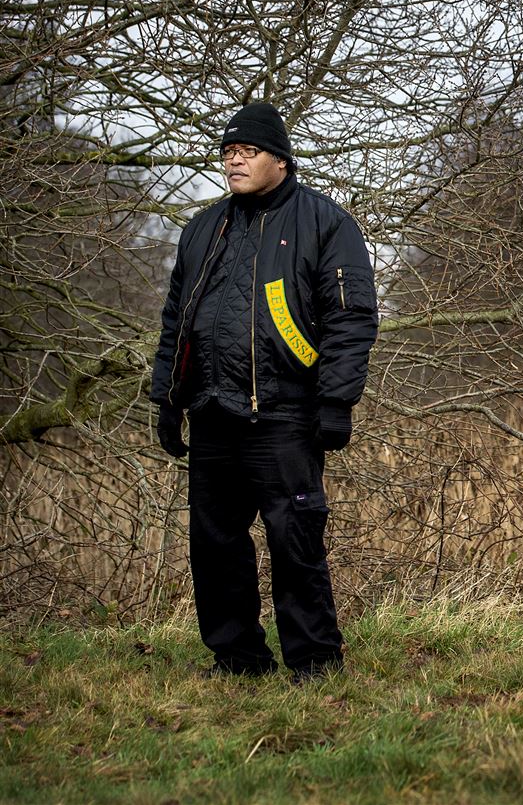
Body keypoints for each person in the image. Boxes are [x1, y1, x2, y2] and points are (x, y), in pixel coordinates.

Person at [150, 101, 378, 683]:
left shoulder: (326, 223)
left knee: (295, 540)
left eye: (245, 152)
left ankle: (315, 663)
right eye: (227, 153)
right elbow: (177, 318)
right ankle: (238, 660)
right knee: (215, 545)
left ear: (279, 159)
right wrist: (168, 398)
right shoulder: (202, 228)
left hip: (286, 415)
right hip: (212, 412)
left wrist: (334, 402)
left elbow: (350, 320)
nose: (233, 162)